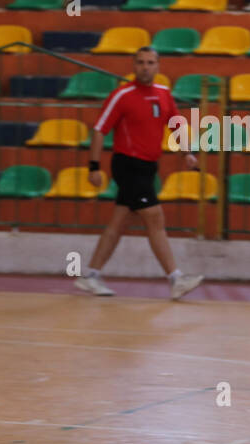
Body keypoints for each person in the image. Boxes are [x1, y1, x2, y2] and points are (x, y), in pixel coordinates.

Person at [73, 48, 204, 301]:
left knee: (119, 223)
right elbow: (100, 129)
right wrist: (93, 166)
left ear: (158, 66)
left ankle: (90, 275)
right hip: (128, 165)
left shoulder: (164, 94)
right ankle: (176, 278)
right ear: (134, 65)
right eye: (141, 62)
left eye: (151, 63)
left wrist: (187, 153)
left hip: (148, 167)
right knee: (155, 218)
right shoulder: (122, 95)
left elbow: (175, 124)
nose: (146, 67)